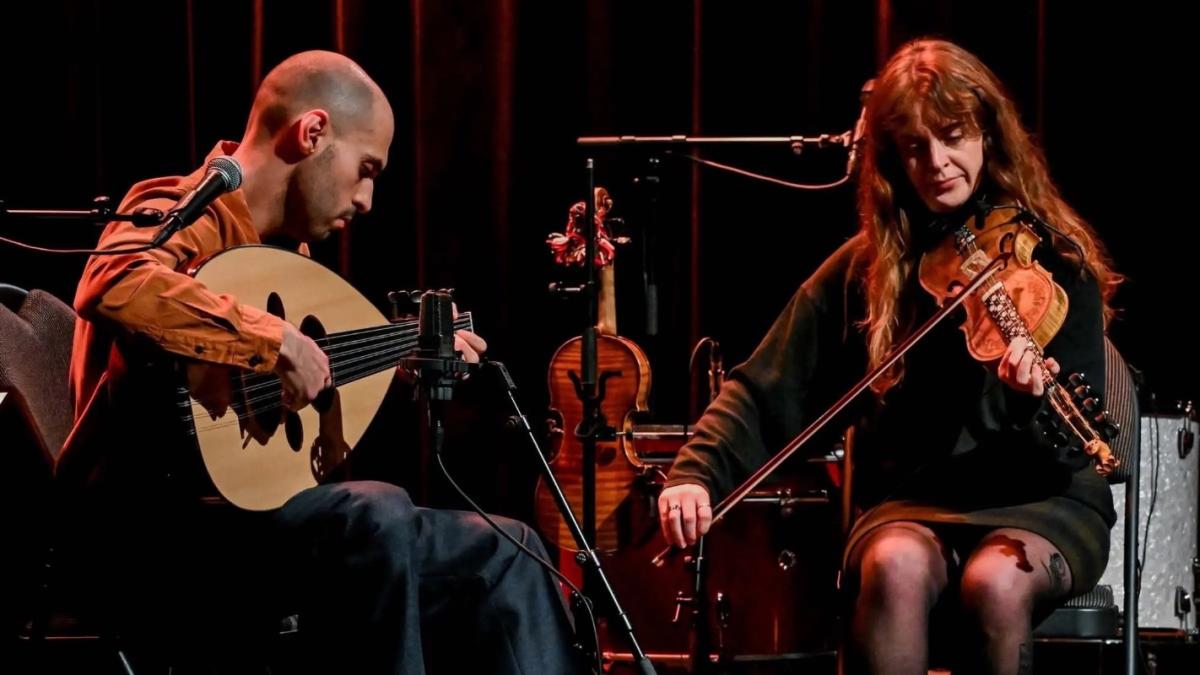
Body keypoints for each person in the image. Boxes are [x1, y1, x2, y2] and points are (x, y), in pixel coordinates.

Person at [59, 50, 583, 674]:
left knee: (510, 550)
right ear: (311, 133)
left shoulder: (286, 263)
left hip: (244, 526)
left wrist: (397, 355)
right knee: (375, 513)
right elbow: (113, 280)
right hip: (154, 539)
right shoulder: (184, 206)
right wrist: (273, 341)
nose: (366, 199)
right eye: (365, 169)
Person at [657, 38, 1121, 675]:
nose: (937, 163)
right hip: (914, 500)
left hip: (1045, 502)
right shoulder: (873, 270)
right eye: (914, 147)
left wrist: (1025, 402)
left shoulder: (1055, 261)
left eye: (952, 136)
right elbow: (768, 386)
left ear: (988, 132)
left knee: (995, 583)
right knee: (894, 564)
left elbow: (1071, 451)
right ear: (893, 161)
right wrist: (695, 473)